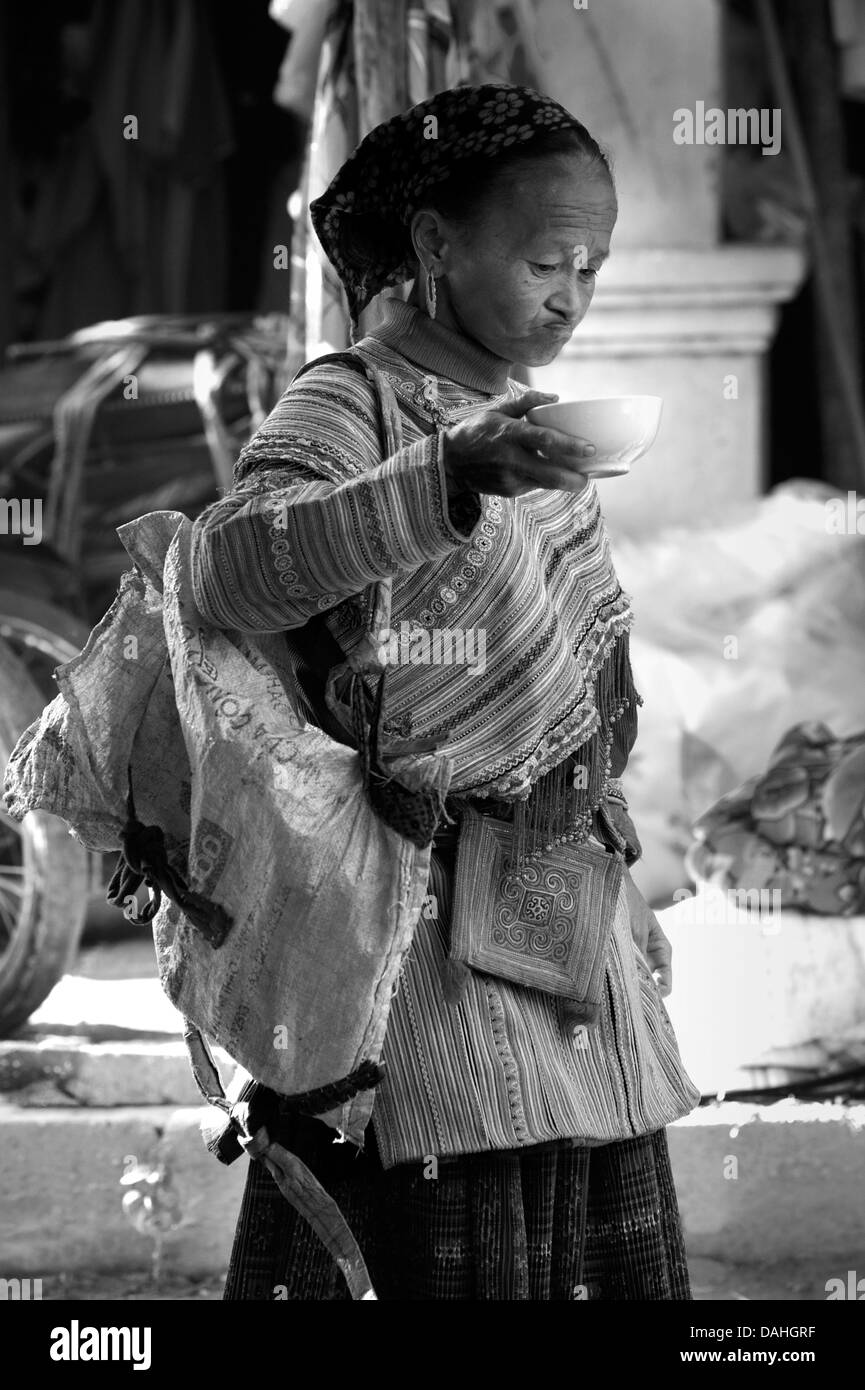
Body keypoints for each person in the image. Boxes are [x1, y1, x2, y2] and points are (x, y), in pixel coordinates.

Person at [190, 82, 700, 1301]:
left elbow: (576, 687)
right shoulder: (349, 404)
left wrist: (619, 877)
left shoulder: (535, 428)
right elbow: (227, 570)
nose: (570, 293)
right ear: (431, 244)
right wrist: (439, 475)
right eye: (543, 260)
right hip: (406, 949)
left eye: (593, 265)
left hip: (557, 922)